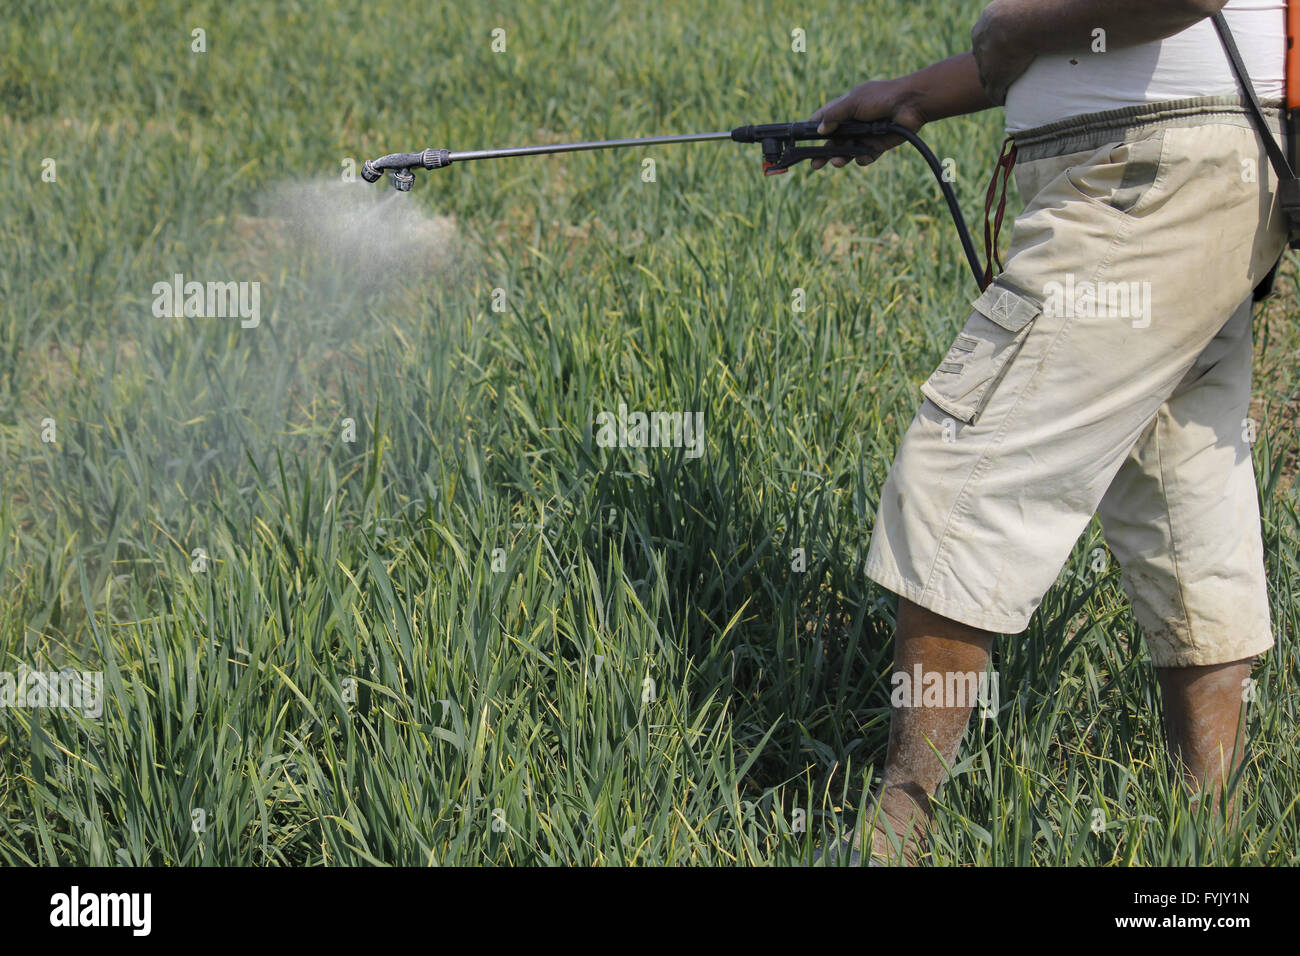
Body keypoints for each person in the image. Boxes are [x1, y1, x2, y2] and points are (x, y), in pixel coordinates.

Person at [809, 0, 1289, 865]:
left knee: (961, 473)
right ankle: (1210, 847)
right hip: (1198, 166)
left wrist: (1015, 33)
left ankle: (894, 838)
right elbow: (1095, 33)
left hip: (1146, 175)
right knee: (1177, 481)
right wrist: (922, 94)